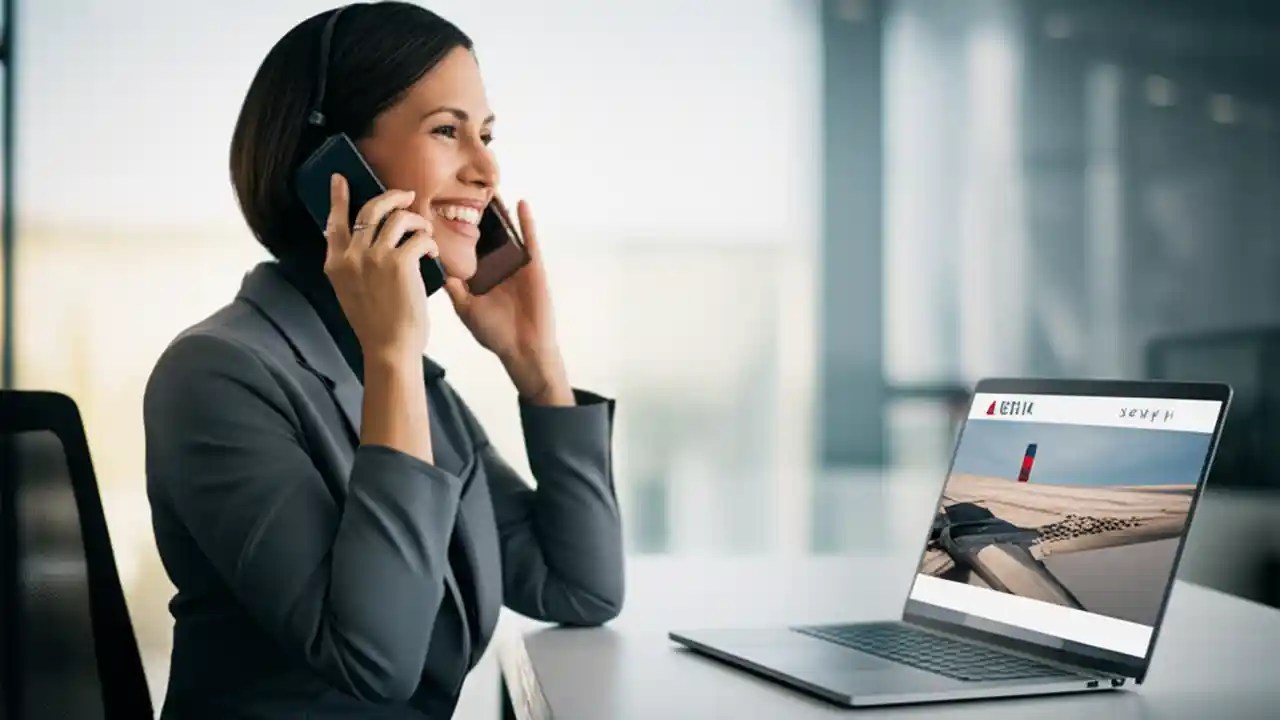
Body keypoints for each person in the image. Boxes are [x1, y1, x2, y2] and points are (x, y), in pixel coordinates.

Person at [143, 3, 624, 717]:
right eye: (446, 131)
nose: (487, 168)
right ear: (333, 166)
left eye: (487, 135)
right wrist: (395, 356)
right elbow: (374, 660)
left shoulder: (412, 383)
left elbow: (580, 588)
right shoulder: (216, 374)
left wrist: (538, 365)